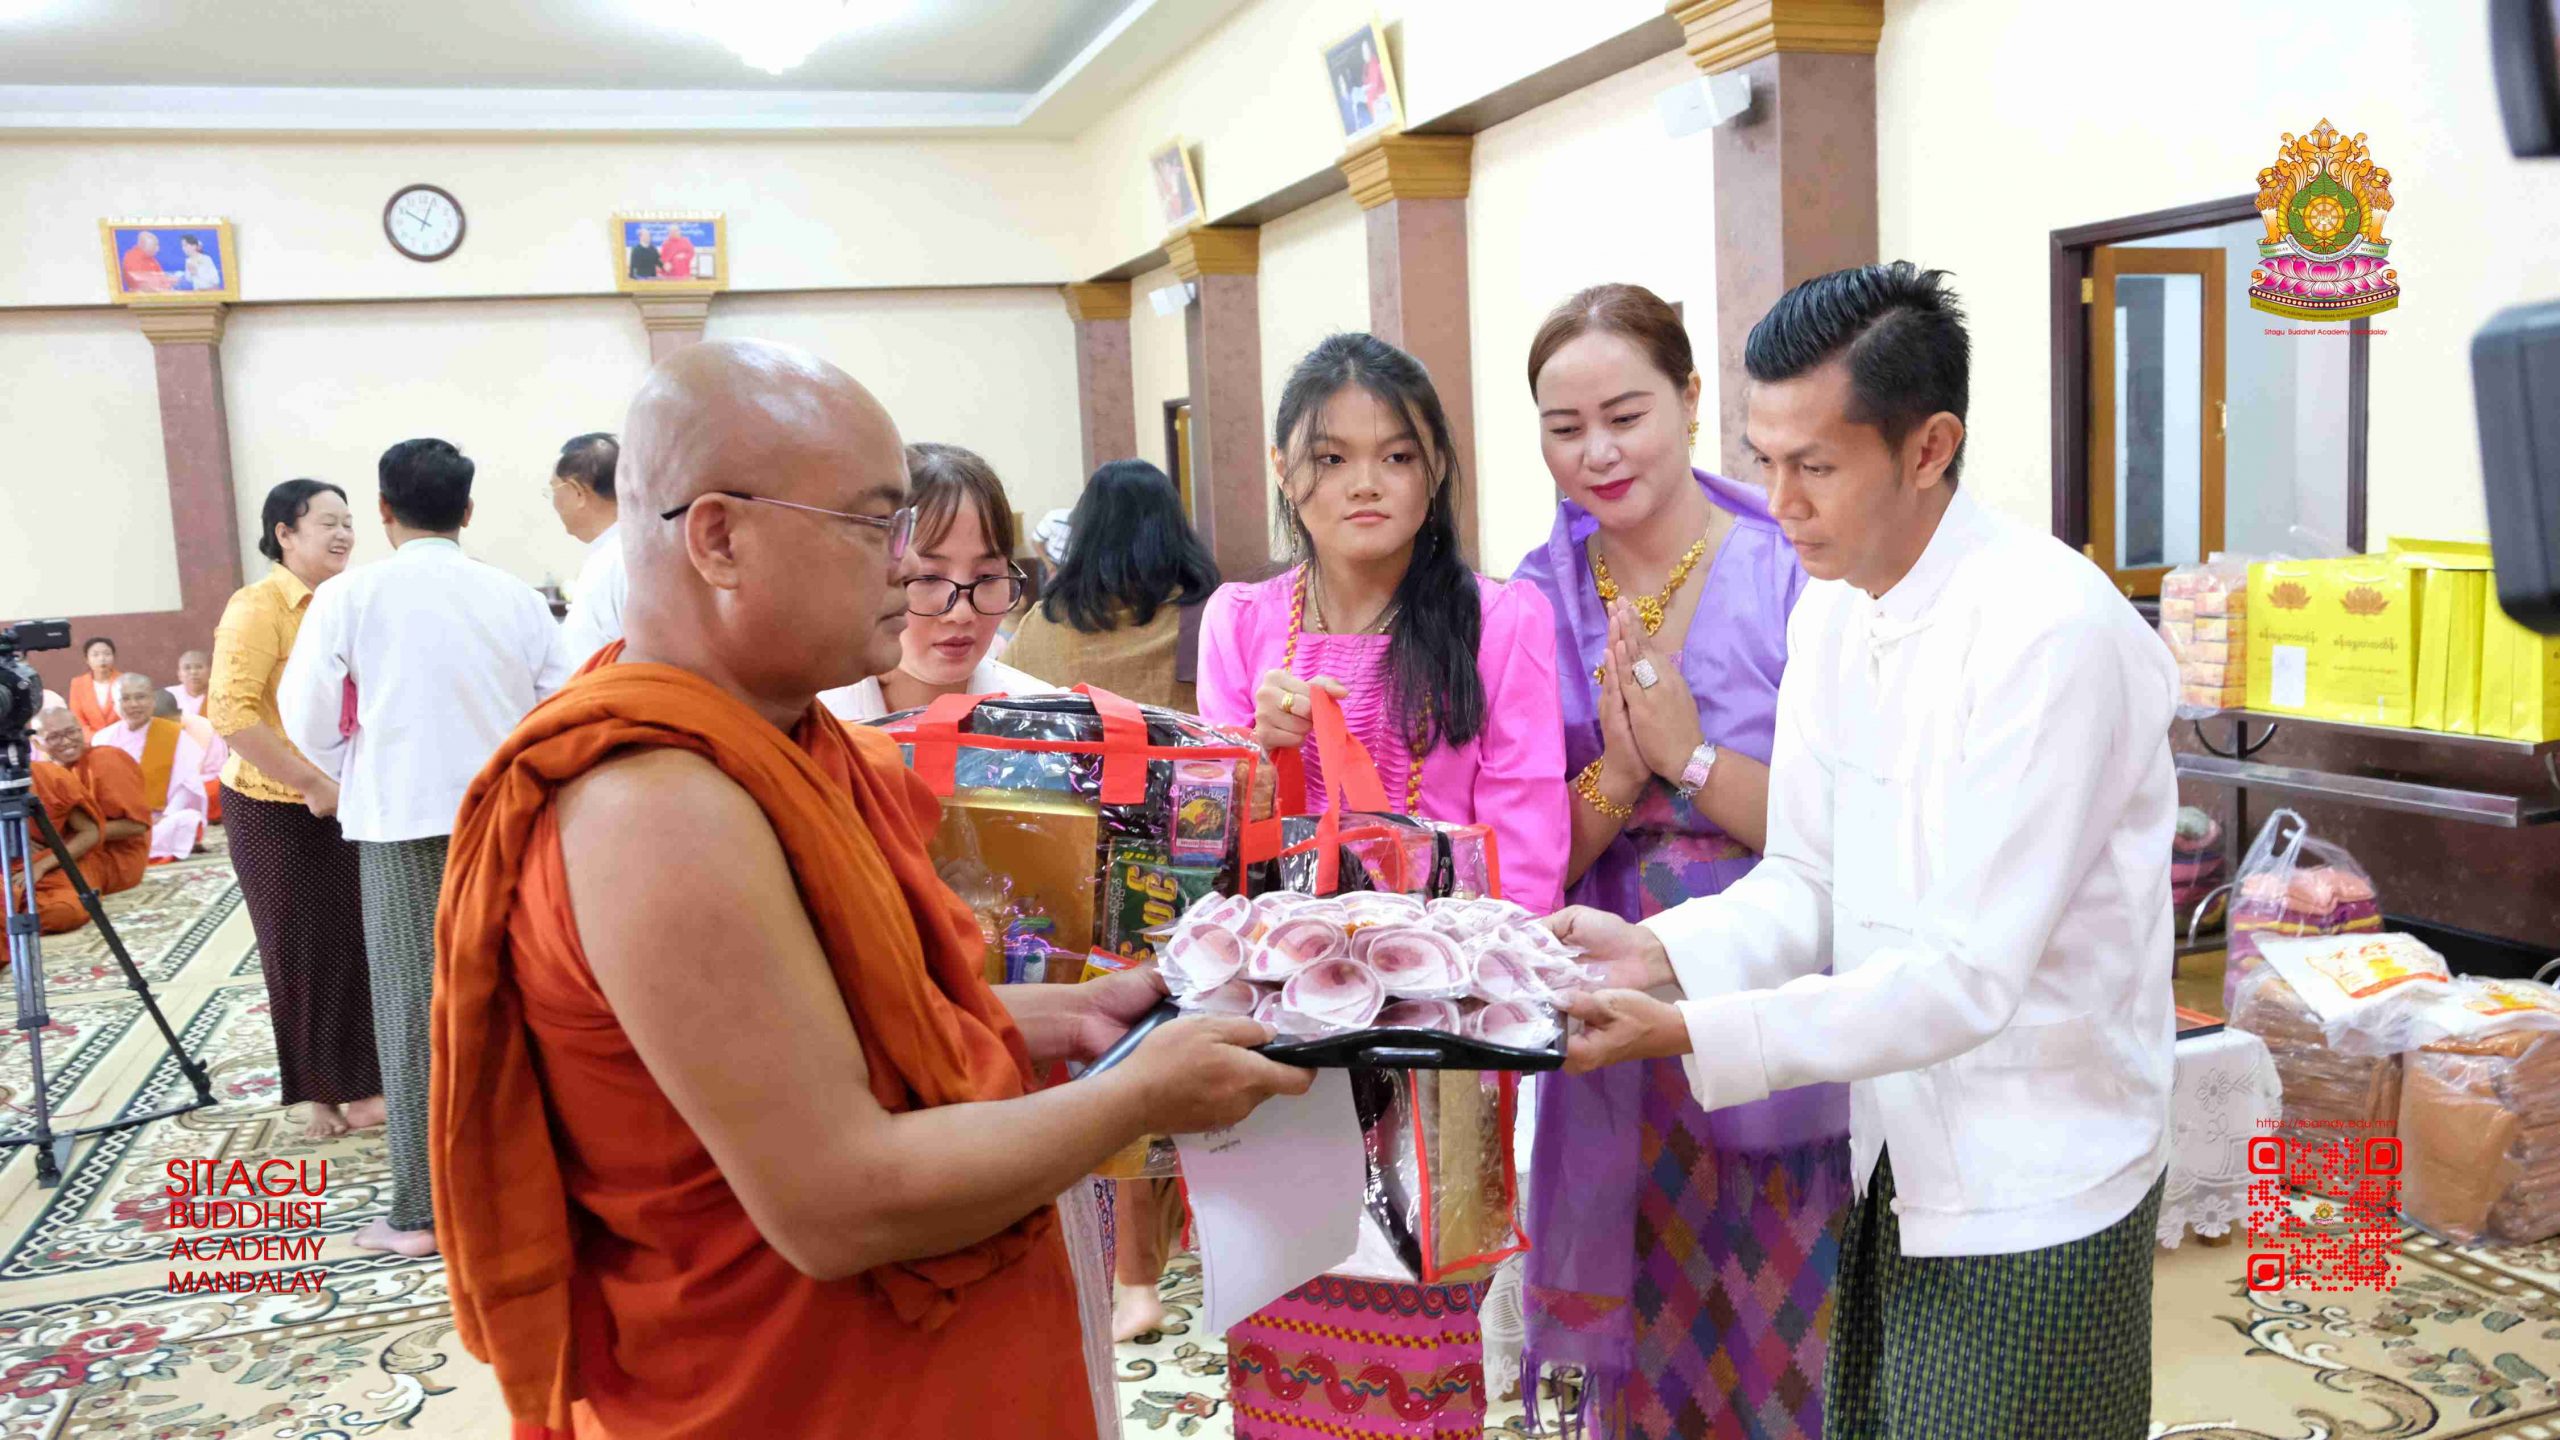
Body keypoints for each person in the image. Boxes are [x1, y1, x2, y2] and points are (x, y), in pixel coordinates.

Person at [429, 337, 1309, 1439]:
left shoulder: (778, 738)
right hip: (802, 1391)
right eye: (872, 524)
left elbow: (844, 1033)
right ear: (718, 536)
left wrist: (1064, 1014)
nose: (908, 568)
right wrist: (1138, 1096)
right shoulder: (659, 804)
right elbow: (838, 1203)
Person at [1554, 264, 2179, 1440]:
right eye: (1763, 457)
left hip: (2036, 1169)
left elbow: (1966, 975)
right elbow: (1809, 876)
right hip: (1896, 1145)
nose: (1777, 502)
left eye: (1816, 465)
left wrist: (1690, 1029)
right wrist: (1650, 954)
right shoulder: (1835, 607)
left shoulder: (2052, 634)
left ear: (1929, 446)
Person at [1197, 332, 1568, 1440]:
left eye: (1397, 456)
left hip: (1439, 1034)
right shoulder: (1242, 622)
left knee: (1421, 1318)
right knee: (1282, 1303)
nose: (1366, 483)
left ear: (1437, 471)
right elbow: (1213, 850)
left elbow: (1526, 845)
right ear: (1282, 472)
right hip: (1280, 1035)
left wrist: (1423, 968)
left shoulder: (1501, 621)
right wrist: (1266, 760)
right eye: (1332, 458)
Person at [1509, 283, 1850, 1440]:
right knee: (1639, 1287)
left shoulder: (1792, 569)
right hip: (1606, 975)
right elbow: (1525, 858)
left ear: (1692, 402)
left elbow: (1838, 838)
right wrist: (1615, 771)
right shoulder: (1530, 601)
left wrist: (1688, 756)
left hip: (1768, 957)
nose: (1597, 452)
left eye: (1625, 413)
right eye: (1565, 429)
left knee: (1782, 1291)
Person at [281, 437, 571, 1261]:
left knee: (415, 1012)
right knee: (518, 993)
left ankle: (425, 1209)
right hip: (506, 821)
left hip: (400, 826)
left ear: (382, 512)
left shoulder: (351, 596)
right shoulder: (512, 595)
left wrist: (354, 769)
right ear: (468, 511)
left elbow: (305, 714)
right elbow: (562, 700)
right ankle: (530, 1183)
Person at [211, 478, 386, 1141]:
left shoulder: (352, 598)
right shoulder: (257, 607)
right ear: (284, 534)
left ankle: (367, 1088)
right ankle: (312, 1093)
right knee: (298, 948)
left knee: (356, 941)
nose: (343, 534)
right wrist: (309, 783)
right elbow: (229, 714)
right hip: (273, 800)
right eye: (326, 523)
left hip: (347, 796)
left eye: (349, 523)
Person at [816, 443, 1045, 722]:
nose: (961, 614)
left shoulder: (1048, 727)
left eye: (987, 577)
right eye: (928, 577)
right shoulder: (806, 726)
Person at [1002, 459, 1219, 713]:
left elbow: (1000, 708)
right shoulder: (1208, 618)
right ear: (1173, 532)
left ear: (1085, 534)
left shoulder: (1042, 624)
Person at [91, 673, 211, 862]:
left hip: (160, 816)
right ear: (115, 704)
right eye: (125, 698)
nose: (133, 705)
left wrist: (166, 815)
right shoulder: (102, 738)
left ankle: (131, 848)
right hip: (120, 820)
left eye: (140, 697)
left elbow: (187, 785)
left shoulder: (173, 735)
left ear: (152, 700)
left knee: (186, 819)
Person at [34, 706, 150, 895]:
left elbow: (137, 825)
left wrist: (79, 836)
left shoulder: (105, 760)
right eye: (54, 737)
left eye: (71, 732)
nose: (66, 741)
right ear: (37, 744)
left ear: (81, 730)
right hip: (70, 848)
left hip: (114, 856)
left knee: (46, 887)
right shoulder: (47, 773)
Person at [551, 431, 627, 664]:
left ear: (577, 492)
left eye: (553, 490)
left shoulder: (623, 559)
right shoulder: (606, 555)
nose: (553, 503)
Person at [5, 759, 101, 934]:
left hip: (50, 867)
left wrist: (41, 867)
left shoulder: (47, 776)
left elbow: (89, 832)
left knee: (63, 912)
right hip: (5, 871)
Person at [68, 636, 122, 735]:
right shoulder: (78, 684)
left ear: (114, 657)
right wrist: (96, 738)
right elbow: (77, 720)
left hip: (122, 740)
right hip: (91, 742)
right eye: (95, 655)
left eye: (107, 654)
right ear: (87, 659)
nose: (102, 659)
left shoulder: (124, 681)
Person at [169, 650, 213, 720]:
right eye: (187, 668)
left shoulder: (218, 696)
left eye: (199, 667)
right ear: (179, 674)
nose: (193, 672)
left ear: (210, 671)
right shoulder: (169, 695)